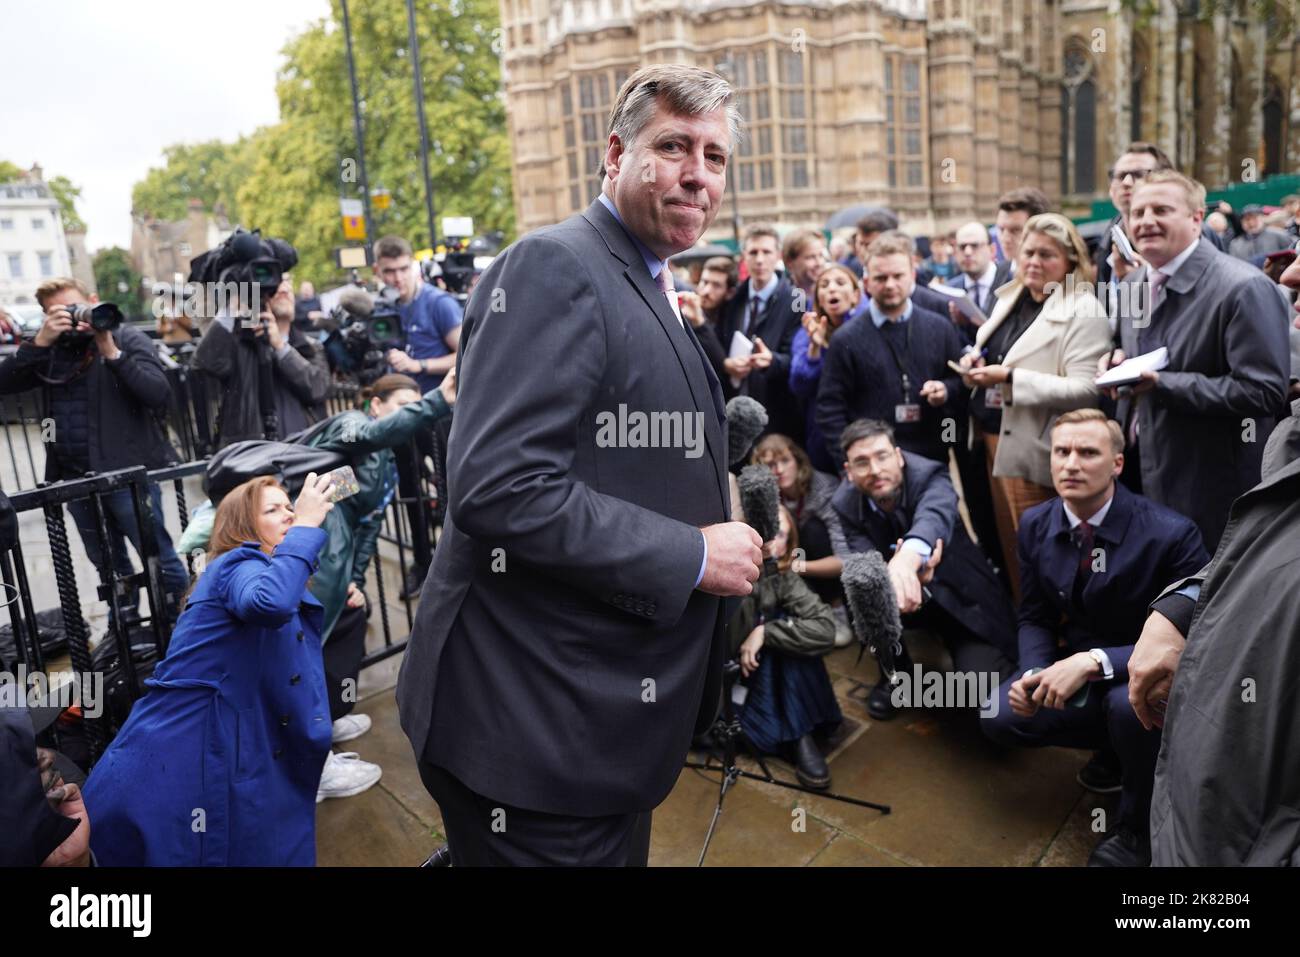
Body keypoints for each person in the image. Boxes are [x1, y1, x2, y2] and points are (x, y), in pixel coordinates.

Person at [396, 64, 761, 866]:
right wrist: (695, 553)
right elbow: (501, 487)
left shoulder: (647, 274)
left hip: (602, 728)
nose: (698, 173)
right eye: (674, 146)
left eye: (715, 156)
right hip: (533, 734)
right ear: (615, 152)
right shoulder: (554, 266)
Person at [1130, 253, 1300, 866]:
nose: (1291, 275)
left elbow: (1257, 388)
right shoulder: (1295, 438)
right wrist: (1184, 604)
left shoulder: (1240, 287)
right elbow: (1271, 547)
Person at [982, 409, 1207, 867]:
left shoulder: (1171, 533)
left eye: (1088, 452)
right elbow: (1035, 616)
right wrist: (1034, 672)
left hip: (1145, 672)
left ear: (1118, 464)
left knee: (1128, 707)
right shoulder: (1036, 524)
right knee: (999, 713)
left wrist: (1094, 660)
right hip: (1078, 667)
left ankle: (1138, 829)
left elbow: (1197, 633)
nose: (1071, 464)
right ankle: (1115, 750)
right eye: (1061, 452)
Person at [82, 473, 337, 865]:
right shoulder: (236, 564)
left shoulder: (279, 576)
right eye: (273, 509)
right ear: (243, 529)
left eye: (291, 507)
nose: (289, 514)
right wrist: (305, 524)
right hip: (179, 754)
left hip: (229, 752)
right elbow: (268, 604)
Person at [1102, 170, 1290, 550]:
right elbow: (1143, 353)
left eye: (1161, 210)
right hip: (1143, 475)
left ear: (1195, 217)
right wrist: (1118, 363)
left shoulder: (1244, 287)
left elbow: (1265, 391)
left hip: (1212, 490)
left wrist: (1163, 384)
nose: (1145, 221)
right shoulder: (1135, 284)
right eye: (1136, 213)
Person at [300, 371, 455, 801]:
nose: (410, 412)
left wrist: (353, 580)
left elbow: (363, 522)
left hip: (330, 570)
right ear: (376, 405)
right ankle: (311, 767)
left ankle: (324, 723)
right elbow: (367, 437)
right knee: (299, 660)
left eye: (415, 404)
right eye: (402, 404)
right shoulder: (351, 427)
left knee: (336, 641)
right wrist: (436, 400)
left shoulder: (383, 460)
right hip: (305, 562)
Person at [0, 278, 189, 619]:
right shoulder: (50, 350)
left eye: (77, 307)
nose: (74, 318)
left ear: (93, 300)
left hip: (128, 475)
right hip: (73, 480)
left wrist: (112, 353)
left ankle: (183, 624)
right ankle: (127, 629)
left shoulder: (126, 337)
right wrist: (40, 342)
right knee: (108, 564)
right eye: (62, 312)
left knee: (158, 557)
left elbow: (159, 394)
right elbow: (4, 382)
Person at [961, 213, 1111, 598]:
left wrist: (1010, 380)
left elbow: (1086, 390)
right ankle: (1024, 631)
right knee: (1013, 548)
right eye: (1028, 252)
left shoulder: (1084, 310)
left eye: (1047, 255)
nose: (1034, 262)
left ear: (1070, 262)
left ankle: (1056, 640)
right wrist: (974, 361)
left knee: (1046, 558)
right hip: (993, 440)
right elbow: (994, 350)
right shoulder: (1012, 295)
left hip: (1040, 452)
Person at [830, 419, 1017, 720]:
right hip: (900, 598)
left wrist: (907, 560)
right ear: (849, 473)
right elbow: (863, 555)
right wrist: (890, 581)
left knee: (981, 696)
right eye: (861, 463)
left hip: (960, 595)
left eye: (882, 456)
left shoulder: (930, 474)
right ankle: (896, 676)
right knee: (859, 587)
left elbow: (933, 514)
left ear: (899, 456)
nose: (875, 470)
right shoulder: (845, 503)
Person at [816, 234, 964, 467]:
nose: (890, 285)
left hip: (932, 463)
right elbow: (830, 408)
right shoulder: (846, 338)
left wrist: (945, 389)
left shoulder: (940, 327)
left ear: (912, 277)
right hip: (873, 468)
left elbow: (960, 382)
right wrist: (849, 465)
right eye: (881, 277)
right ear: (866, 283)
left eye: (898, 276)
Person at [373, 235, 464, 599]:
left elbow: (464, 353)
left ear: (413, 264)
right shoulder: (388, 308)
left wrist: (419, 364)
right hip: (404, 418)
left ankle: (454, 566)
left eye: (401, 269)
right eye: (388, 271)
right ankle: (423, 563)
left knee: (451, 492)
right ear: (378, 271)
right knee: (410, 492)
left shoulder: (437, 303)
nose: (396, 278)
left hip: (442, 415)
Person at [726, 505, 841, 789]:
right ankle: (799, 737)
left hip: (763, 675)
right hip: (726, 683)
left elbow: (826, 629)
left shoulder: (783, 576)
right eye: (766, 529)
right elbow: (725, 643)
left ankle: (798, 735)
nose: (771, 541)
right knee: (784, 627)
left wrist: (767, 632)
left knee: (787, 628)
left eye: (780, 534)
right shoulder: (723, 570)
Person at [191, 275, 331, 447]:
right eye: (277, 284)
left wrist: (280, 346)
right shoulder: (240, 346)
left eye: (288, 282)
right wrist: (231, 308)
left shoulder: (311, 346)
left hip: (307, 454)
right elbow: (205, 363)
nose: (284, 289)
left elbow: (318, 388)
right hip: (254, 462)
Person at [719, 223, 805, 442]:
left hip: (776, 412)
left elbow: (799, 359)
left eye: (766, 252)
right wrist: (726, 363)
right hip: (736, 407)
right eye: (753, 252)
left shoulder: (796, 299)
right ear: (744, 257)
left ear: (777, 255)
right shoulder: (733, 298)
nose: (759, 259)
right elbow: (720, 341)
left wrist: (771, 361)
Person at [750, 433, 848, 617]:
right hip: (788, 558)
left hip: (819, 560)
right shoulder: (765, 494)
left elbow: (844, 560)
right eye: (770, 465)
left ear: (798, 461)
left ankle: (837, 608)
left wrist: (797, 566)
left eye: (785, 460)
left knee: (814, 530)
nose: (779, 470)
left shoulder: (824, 490)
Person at [788, 262, 867, 473]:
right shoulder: (805, 334)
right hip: (822, 435)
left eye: (840, 283)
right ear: (818, 299)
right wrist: (815, 346)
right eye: (824, 285)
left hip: (864, 427)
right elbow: (800, 386)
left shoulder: (868, 329)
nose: (832, 288)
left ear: (856, 296)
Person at [678, 254, 737, 381]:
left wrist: (699, 322)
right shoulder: (686, 310)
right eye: (704, 282)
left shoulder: (733, 319)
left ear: (729, 293)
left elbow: (724, 363)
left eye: (716, 285)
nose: (706, 291)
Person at [948, 221, 1013, 320]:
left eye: (975, 245)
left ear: (992, 250)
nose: (967, 252)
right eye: (962, 247)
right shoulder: (950, 290)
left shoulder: (1012, 284)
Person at [993, 187, 1050, 273]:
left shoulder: (1061, 278)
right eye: (1001, 229)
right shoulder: (997, 275)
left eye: (1015, 230)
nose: (1005, 239)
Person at [1227, 204, 1293, 262]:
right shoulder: (1235, 244)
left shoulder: (1279, 235)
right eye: (1247, 219)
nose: (1251, 223)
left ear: (1262, 218)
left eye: (1254, 218)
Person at [781, 228, 827, 306]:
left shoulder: (829, 295)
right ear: (789, 262)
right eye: (810, 257)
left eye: (821, 255)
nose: (819, 263)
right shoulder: (781, 299)